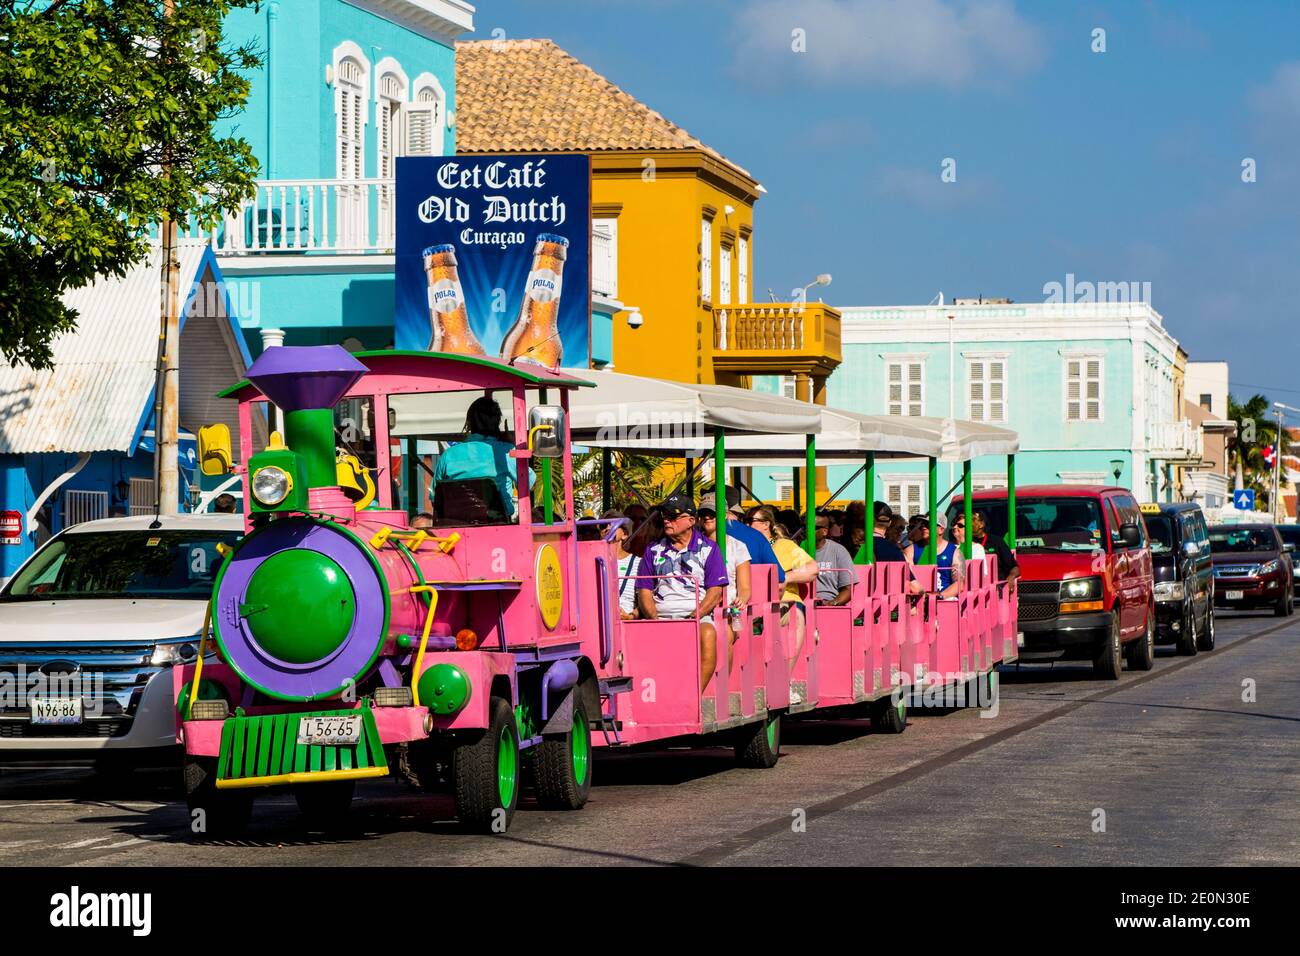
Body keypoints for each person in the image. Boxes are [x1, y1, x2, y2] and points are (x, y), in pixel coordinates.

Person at [636, 495, 728, 692]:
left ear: (691, 521)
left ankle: (693, 695)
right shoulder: (653, 550)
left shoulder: (709, 549)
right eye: (664, 516)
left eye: (673, 516)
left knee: (708, 634)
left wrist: (696, 615)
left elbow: (715, 591)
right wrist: (654, 618)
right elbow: (644, 589)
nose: (667, 520)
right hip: (660, 615)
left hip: (695, 615)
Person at [746, 504, 819, 703]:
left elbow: (812, 569)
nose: (747, 525)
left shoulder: (783, 546)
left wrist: (785, 577)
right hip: (749, 602)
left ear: (766, 524)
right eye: (745, 521)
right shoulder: (740, 545)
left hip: (784, 601)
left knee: (796, 616)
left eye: (751, 521)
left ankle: (783, 680)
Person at [433, 395, 516, 517]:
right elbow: (530, 484)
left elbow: (435, 497)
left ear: (469, 423)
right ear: (498, 422)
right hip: (498, 523)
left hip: (455, 526)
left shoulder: (448, 455)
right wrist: (512, 443)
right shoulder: (506, 452)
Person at [605, 509, 641, 620]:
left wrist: (630, 616)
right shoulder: (592, 561)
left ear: (625, 534)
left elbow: (647, 598)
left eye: (613, 525)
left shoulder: (638, 562)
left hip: (626, 622)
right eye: (602, 525)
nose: (607, 528)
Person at [812, 512, 854, 606]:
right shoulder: (796, 549)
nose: (807, 530)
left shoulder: (839, 551)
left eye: (813, 527)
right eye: (804, 526)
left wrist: (831, 603)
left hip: (826, 601)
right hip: (800, 603)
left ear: (824, 531)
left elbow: (848, 590)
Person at [973, 509, 1020, 584]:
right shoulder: (961, 543)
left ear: (981, 524)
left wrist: (1011, 576)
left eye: (972, 520)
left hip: (995, 588)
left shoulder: (996, 541)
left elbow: (1014, 567)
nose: (968, 523)